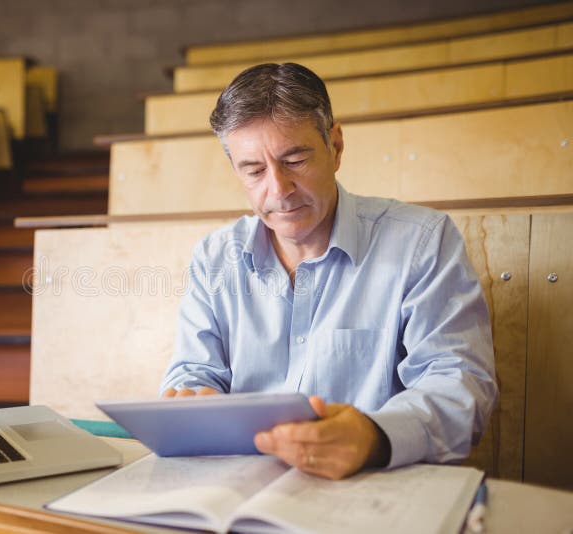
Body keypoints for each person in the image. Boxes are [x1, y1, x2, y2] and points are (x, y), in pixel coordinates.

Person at [159, 63, 498, 480]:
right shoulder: (214, 258)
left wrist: (374, 436)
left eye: (295, 159)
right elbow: (193, 371)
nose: (278, 190)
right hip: (240, 484)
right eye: (254, 170)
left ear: (335, 146)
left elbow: (460, 385)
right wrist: (195, 399)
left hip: (372, 489)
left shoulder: (421, 242)